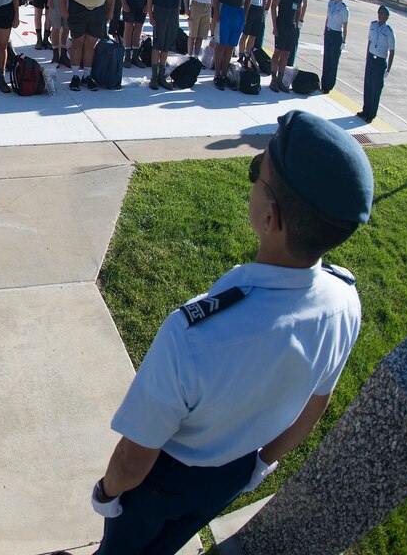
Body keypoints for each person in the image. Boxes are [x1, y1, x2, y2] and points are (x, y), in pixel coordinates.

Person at [88, 110, 372, 555]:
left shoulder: (192, 337)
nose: (254, 177)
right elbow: (316, 404)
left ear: (270, 217)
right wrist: (259, 465)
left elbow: (132, 460)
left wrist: (105, 494)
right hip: (233, 474)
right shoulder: (345, 304)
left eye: (258, 171)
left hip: (162, 482)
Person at [211, 0, 253, 91]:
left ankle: (224, 74)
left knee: (230, 46)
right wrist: (216, 12)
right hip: (225, 9)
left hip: (239, 12)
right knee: (221, 44)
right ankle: (217, 75)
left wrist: (245, 14)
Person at [145, 0, 184, 90]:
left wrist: (177, 16)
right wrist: (151, 14)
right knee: (157, 45)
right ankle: (154, 77)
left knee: (166, 46)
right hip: (160, 12)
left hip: (172, 14)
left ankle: (162, 76)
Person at [357, 5, 395, 123]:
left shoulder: (389, 31)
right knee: (368, 85)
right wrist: (367, 55)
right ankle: (365, 110)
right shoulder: (373, 25)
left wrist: (388, 70)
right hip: (371, 58)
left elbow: (392, 51)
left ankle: (371, 114)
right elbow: (370, 41)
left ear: (387, 17)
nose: (380, 15)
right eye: (379, 13)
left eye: (382, 13)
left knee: (376, 89)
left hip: (380, 61)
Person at [269, 0, 304, 93]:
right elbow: (273, 7)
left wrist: (297, 25)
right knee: (278, 52)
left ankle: (280, 79)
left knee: (286, 54)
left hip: (292, 27)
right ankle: (273, 79)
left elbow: (299, 10)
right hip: (282, 24)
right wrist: (275, 26)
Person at [321, 0, 350, 94]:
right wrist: (325, 30)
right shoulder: (331, 3)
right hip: (329, 32)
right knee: (326, 59)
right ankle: (323, 84)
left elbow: (345, 26)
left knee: (333, 62)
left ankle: (329, 86)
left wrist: (344, 41)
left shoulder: (344, 8)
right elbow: (328, 18)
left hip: (337, 35)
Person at [289, 0, 310, 68]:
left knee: (293, 42)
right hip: (288, 13)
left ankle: (289, 64)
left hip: (296, 14)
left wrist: (301, 19)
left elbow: (305, 3)